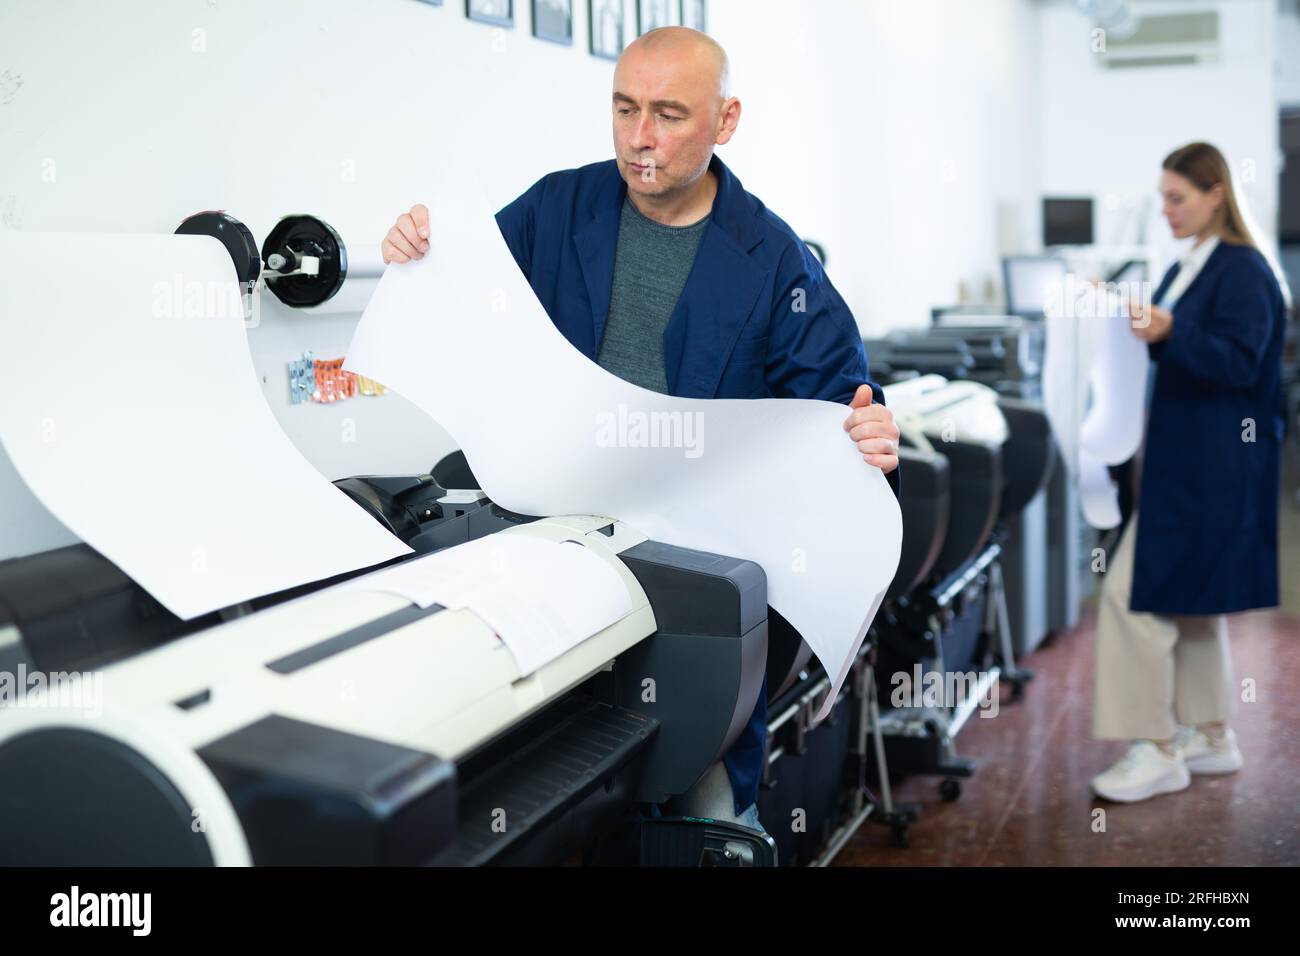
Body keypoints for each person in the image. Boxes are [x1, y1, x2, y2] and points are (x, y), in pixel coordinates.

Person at [381, 27, 900, 829]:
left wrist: (869, 445)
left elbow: (837, 420)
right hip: (550, 555)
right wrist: (419, 249)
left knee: (707, 812)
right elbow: (466, 290)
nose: (639, 138)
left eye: (667, 113)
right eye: (624, 108)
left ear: (726, 122)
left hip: (692, 581)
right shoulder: (557, 209)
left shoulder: (775, 263)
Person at [1090, 141, 1290, 803]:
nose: (1167, 210)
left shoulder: (1243, 270)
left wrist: (1170, 328)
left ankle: (1155, 747)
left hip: (1214, 467)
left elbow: (1239, 363)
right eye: (1163, 198)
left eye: (1178, 198)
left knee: (1130, 596)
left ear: (1215, 194)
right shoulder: (1194, 265)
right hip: (1190, 461)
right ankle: (1211, 733)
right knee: (1194, 604)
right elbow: (1179, 346)